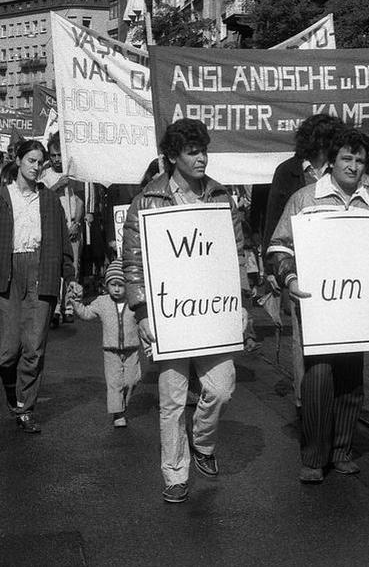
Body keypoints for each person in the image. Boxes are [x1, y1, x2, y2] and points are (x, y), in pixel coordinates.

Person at [122, 118, 249, 504]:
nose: (202, 159)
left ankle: (203, 444)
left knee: (222, 388)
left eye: (204, 150)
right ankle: (175, 474)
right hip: (169, 315)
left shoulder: (220, 197)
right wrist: (142, 310)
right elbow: (133, 260)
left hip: (213, 313)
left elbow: (236, 254)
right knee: (173, 400)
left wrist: (240, 301)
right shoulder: (148, 199)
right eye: (193, 152)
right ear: (173, 156)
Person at [268, 127, 369, 484]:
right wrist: (290, 278)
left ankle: (342, 450)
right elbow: (279, 247)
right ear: (332, 161)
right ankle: (314, 455)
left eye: (360, 160)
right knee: (319, 379)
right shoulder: (306, 199)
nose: (353, 166)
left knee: (352, 381)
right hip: (317, 307)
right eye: (346, 159)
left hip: (357, 308)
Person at [0, 140, 74, 434]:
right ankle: (11, 391)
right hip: (8, 270)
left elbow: (62, 241)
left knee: (34, 347)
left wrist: (69, 279)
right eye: (31, 160)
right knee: (7, 351)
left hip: (41, 270)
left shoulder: (49, 200)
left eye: (39, 162)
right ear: (18, 161)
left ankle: (25, 408)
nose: (36, 167)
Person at [262, 114, 347, 409]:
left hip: (340, 268)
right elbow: (274, 219)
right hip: (300, 268)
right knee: (302, 337)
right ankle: (305, 401)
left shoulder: (342, 169)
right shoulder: (287, 172)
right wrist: (271, 268)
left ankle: (336, 393)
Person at [68, 260, 143, 428]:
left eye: (121, 285)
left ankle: (122, 405)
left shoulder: (134, 302)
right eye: (112, 284)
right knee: (114, 383)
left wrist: (149, 345)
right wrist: (76, 303)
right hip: (111, 351)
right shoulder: (102, 302)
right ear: (106, 284)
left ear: (128, 286)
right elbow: (87, 313)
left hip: (132, 350)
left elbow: (144, 322)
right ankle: (118, 414)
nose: (116, 289)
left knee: (133, 380)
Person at [40, 134, 85, 325]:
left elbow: (80, 199)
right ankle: (56, 307)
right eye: (53, 155)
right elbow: (41, 199)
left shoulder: (73, 174)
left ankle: (69, 306)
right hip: (52, 227)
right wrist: (58, 185)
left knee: (73, 266)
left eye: (60, 155)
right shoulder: (44, 175)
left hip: (71, 226)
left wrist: (77, 222)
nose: (57, 159)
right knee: (55, 268)